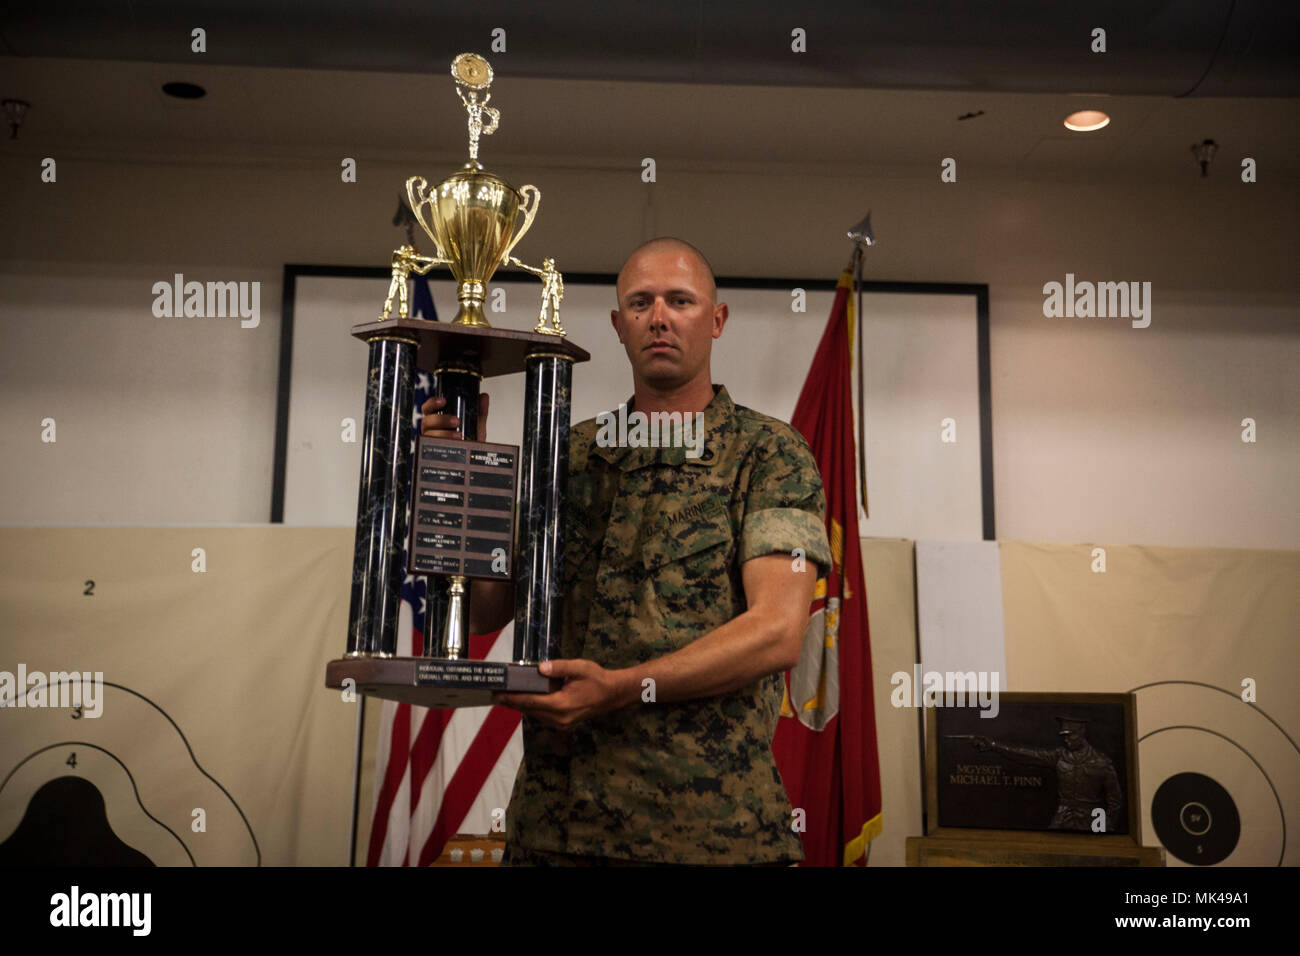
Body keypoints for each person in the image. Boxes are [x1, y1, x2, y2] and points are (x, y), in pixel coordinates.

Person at [420, 237, 832, 865]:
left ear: (716, 320)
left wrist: (620, 687)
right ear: (618, 326)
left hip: (709, 838)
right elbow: (482, 613)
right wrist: (466, 473)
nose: (659, 317)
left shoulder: (767, 455)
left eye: (680, 300)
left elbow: (776, 632)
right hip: (557, 834)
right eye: (640, 303)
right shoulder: (565, 457)